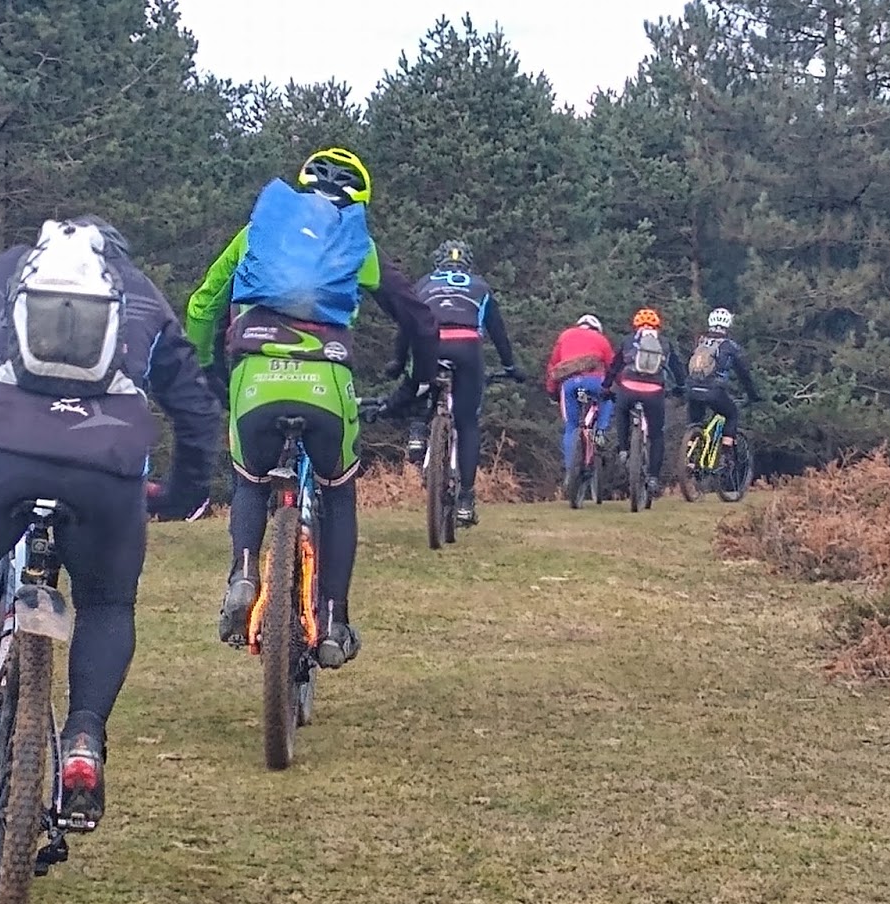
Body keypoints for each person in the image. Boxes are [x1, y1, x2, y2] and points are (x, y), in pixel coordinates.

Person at [0, 216, 221, 824]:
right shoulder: (141, 294)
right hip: (107, 471)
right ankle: (83, 741)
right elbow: (194, 407)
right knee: (108, 605)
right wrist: (179, 493)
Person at [186, 147, 437, 667]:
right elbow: (416, 317)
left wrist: (211, 371)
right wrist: (414, 385)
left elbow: (203, 304)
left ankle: (244, 573)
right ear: (358, 199)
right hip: (326, 378)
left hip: (255, 373)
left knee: (251, 480)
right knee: (337, 491)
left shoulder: (258, 231)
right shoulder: (357, 244)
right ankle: (333, 621)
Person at [386, 238, 527, 526]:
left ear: (438, 262)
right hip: (467, 347)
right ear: (468, 264)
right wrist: (511, 366)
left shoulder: (425, 283)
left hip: (431, 344)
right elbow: (498, 332)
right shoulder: (480, 286)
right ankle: (465, 500)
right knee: (466, 423)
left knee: (420, 383)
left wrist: (398, 362)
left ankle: (417, 431)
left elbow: (408, 323)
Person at [600, 307, 687, 499]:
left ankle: (623, 450)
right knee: (656, 435)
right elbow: (677, 370)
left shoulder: (628, 341)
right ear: (657, 327)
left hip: (628, 389)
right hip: (654, 392)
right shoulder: (664, 343)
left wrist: (606, 387)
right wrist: (681, 387)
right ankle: (654, 477)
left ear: (636, 326)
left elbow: (614, 367)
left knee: (621, 412)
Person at [544, 313, 615, 494]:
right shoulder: (601, 339)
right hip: (594, 382)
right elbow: (612, 367)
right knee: (608, 398)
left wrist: (552, 391)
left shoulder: (565, 336)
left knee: (571, 427)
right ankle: (600, 431)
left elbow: (553, 365)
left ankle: (570, 471)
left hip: (570, 384)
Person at [684, 307, 760, 465]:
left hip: (692, 389)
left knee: (695, 422)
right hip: (714, 391)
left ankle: (690, 454)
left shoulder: (701, 342)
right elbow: (743, 374)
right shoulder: (730, 346)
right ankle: (726, 452)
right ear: (728, 325)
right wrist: (753, 395)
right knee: (731, 414)